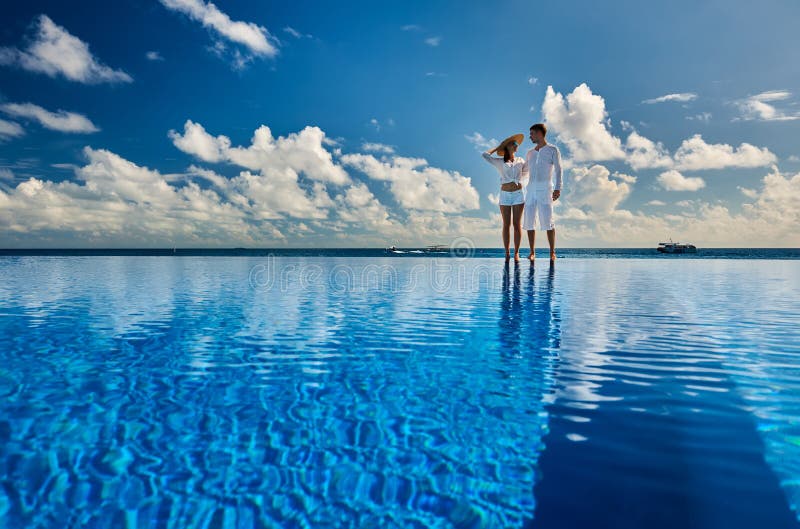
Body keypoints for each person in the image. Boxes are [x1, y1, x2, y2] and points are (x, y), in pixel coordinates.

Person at [521, 123, 562, 262]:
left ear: (539, 133)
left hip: (545, 189)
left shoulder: (552, 150)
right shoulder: (530, 153)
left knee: (548, 221)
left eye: (532, 133)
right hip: (531, 189)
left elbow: (558, 170)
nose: (530, 136)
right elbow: (524, 171)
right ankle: (532, 252)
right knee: (529, 221)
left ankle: (552, 252)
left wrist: (558, 188)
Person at [482, 134, 526, 262]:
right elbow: (485, 155)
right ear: (507, 147)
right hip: (505, 195)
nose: (516, 146)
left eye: (516, 144)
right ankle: (507, 252)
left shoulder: (521, 160)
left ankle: (516, 253)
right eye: (514, 144)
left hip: (518, 194)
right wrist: (497, 148)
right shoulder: (500, 162)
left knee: (517, 224)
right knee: (506, 224)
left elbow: (528, 171)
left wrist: (519, 180)